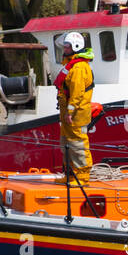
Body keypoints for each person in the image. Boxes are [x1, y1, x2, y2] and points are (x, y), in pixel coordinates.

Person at [56, 31, 95, 185]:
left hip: (76, 114)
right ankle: (71, 174)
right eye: (65, 46)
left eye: (67, 46)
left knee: (78, 144)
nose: (64, 49)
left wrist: (70, 111)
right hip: (67, 113)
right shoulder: (71, 64)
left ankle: (82, 176)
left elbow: (77, 94)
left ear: (75, 47)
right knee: (66, 143)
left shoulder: (78, 68)